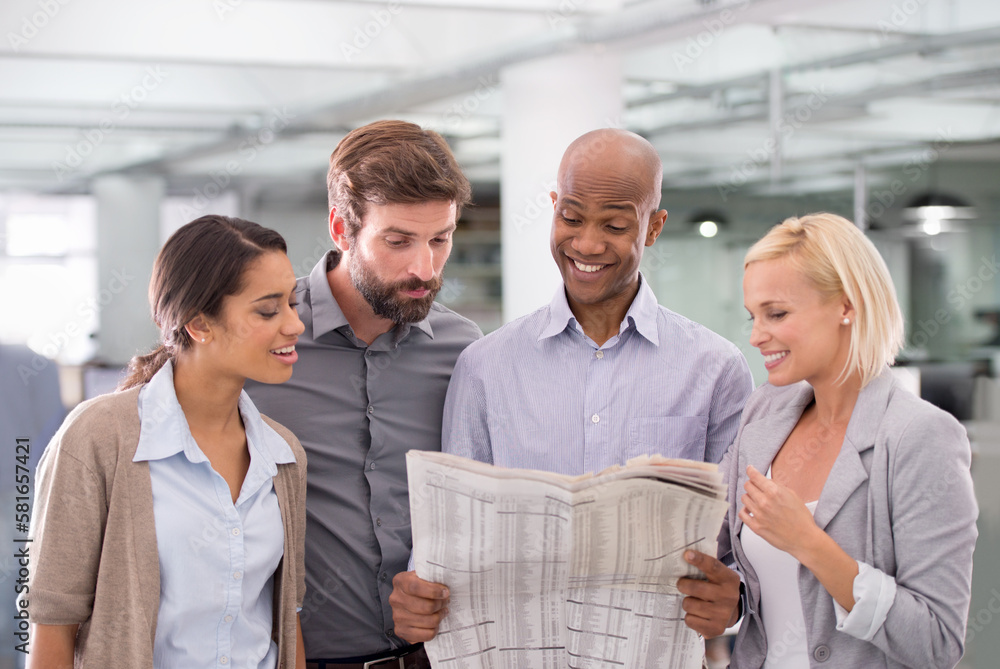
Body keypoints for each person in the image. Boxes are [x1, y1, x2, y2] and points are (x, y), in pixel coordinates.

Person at [390, 128, 755, 663]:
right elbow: (451, 543)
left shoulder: (716, 369)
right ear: (554, 207)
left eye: (614, 224)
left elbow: (741, 548)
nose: (586, 244)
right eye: (572, 217)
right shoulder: (486, 366)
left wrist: (737, 601)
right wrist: (420, 596)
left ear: (653, 227)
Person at [245, 119, 482, 668]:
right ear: (341, 227)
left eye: (440, 239)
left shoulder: (465, 351)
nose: (424, 267)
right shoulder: (261, 340)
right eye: (397, 241)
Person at [24, 215, 308, 669]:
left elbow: (286, 619)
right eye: (268, 310)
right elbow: (53, 626)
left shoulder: (283, 453)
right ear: (199, 324)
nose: (295, 325)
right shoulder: (99, 438)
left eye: (293, 304)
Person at [721, 212, 978, 667]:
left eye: (776, 313)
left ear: (846, 306)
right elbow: (729, 561)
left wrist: (809, 543)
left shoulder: (919, 436)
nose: (757, 336)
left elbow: (936, 643)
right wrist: (725, 599)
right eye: (753, 316)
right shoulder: (764, 413)